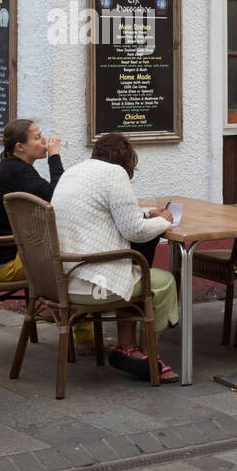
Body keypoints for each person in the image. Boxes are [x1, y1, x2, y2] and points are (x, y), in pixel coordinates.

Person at [50, 132, 179, 384]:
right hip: (93, 283)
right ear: (127, 161)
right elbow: (134, 231)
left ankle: (127, 346)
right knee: (164, 282)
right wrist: (161, 221)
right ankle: (148, 356)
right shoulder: (115, 174)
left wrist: (144, 212)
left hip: (64, 278)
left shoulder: (74, 171)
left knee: (132, 267)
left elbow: (102, 210)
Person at [0, 119, 64, 282]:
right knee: (65, 260)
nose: (44, 141)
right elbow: (57, 195)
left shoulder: (12, 167)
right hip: (1, 266)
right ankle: (69, 305)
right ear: (19, 147)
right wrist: (54, 156)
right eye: (37, 138)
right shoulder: (16, 171)